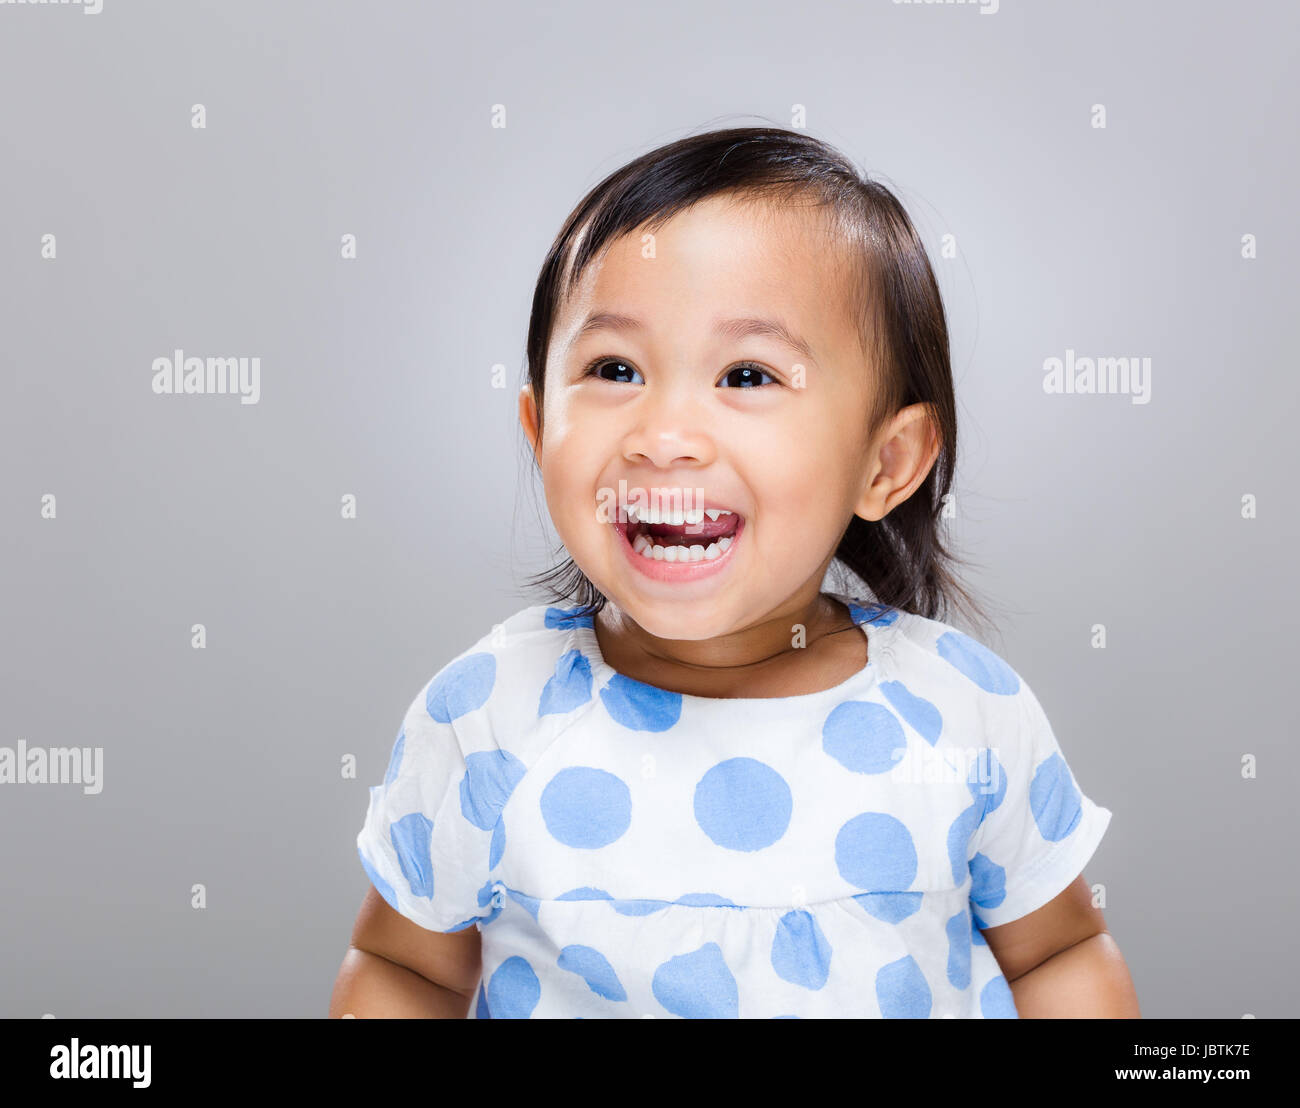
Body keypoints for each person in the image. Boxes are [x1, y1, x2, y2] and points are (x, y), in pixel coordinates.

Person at [329, 125, 1140, 1018]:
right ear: (538, 430)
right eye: (614, 368)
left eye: (748, 374)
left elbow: (1059, 952)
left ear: (885, 463)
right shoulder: (488, 716)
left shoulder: (959, 716)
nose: (665, 437)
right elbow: (404, 972)